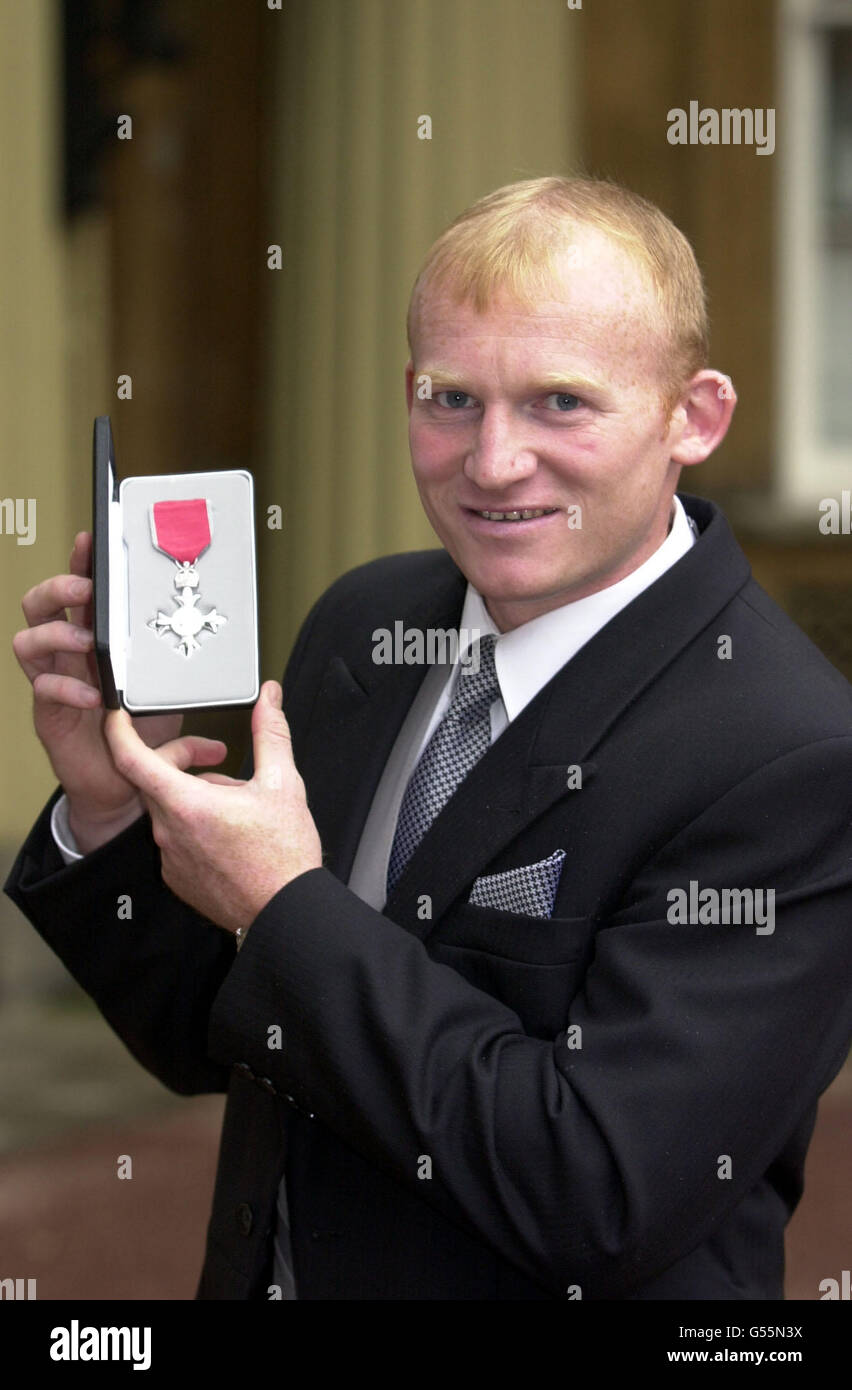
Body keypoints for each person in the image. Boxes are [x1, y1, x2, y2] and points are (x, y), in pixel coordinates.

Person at [7, 177, 852, 1301]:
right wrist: (112, 806)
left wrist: (283, 905)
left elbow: (595, 1191)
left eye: (561, 402)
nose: (493, 461)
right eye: (452, 399)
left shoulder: (790, 754)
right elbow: (225, 1029)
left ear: (693, 417)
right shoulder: (364, 625)